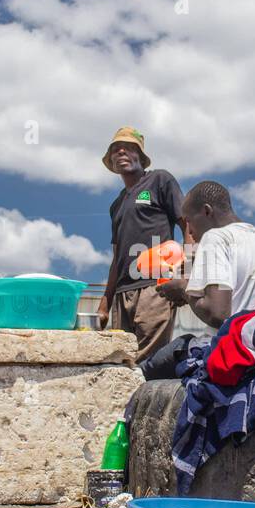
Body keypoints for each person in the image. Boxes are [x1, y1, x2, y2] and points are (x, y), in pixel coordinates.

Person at [97, 126, 185, 364]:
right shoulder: (117, 204)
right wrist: (106, 300)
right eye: (115, 149)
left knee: (147, 361)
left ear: (141, 156)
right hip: (122, 294)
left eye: (128, 147)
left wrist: (188, 273)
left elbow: (188, 226)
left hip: (154, 287)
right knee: (120, 361)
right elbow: (117, 256)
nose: (121, 152)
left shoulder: (159, 180)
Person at [157, 180, 255, 328]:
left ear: (207, 211)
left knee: (168, 351)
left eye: (189, 221)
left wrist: (182, 290)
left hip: (244, 345)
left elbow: (218, 315)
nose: (189, 231)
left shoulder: (216, 237)